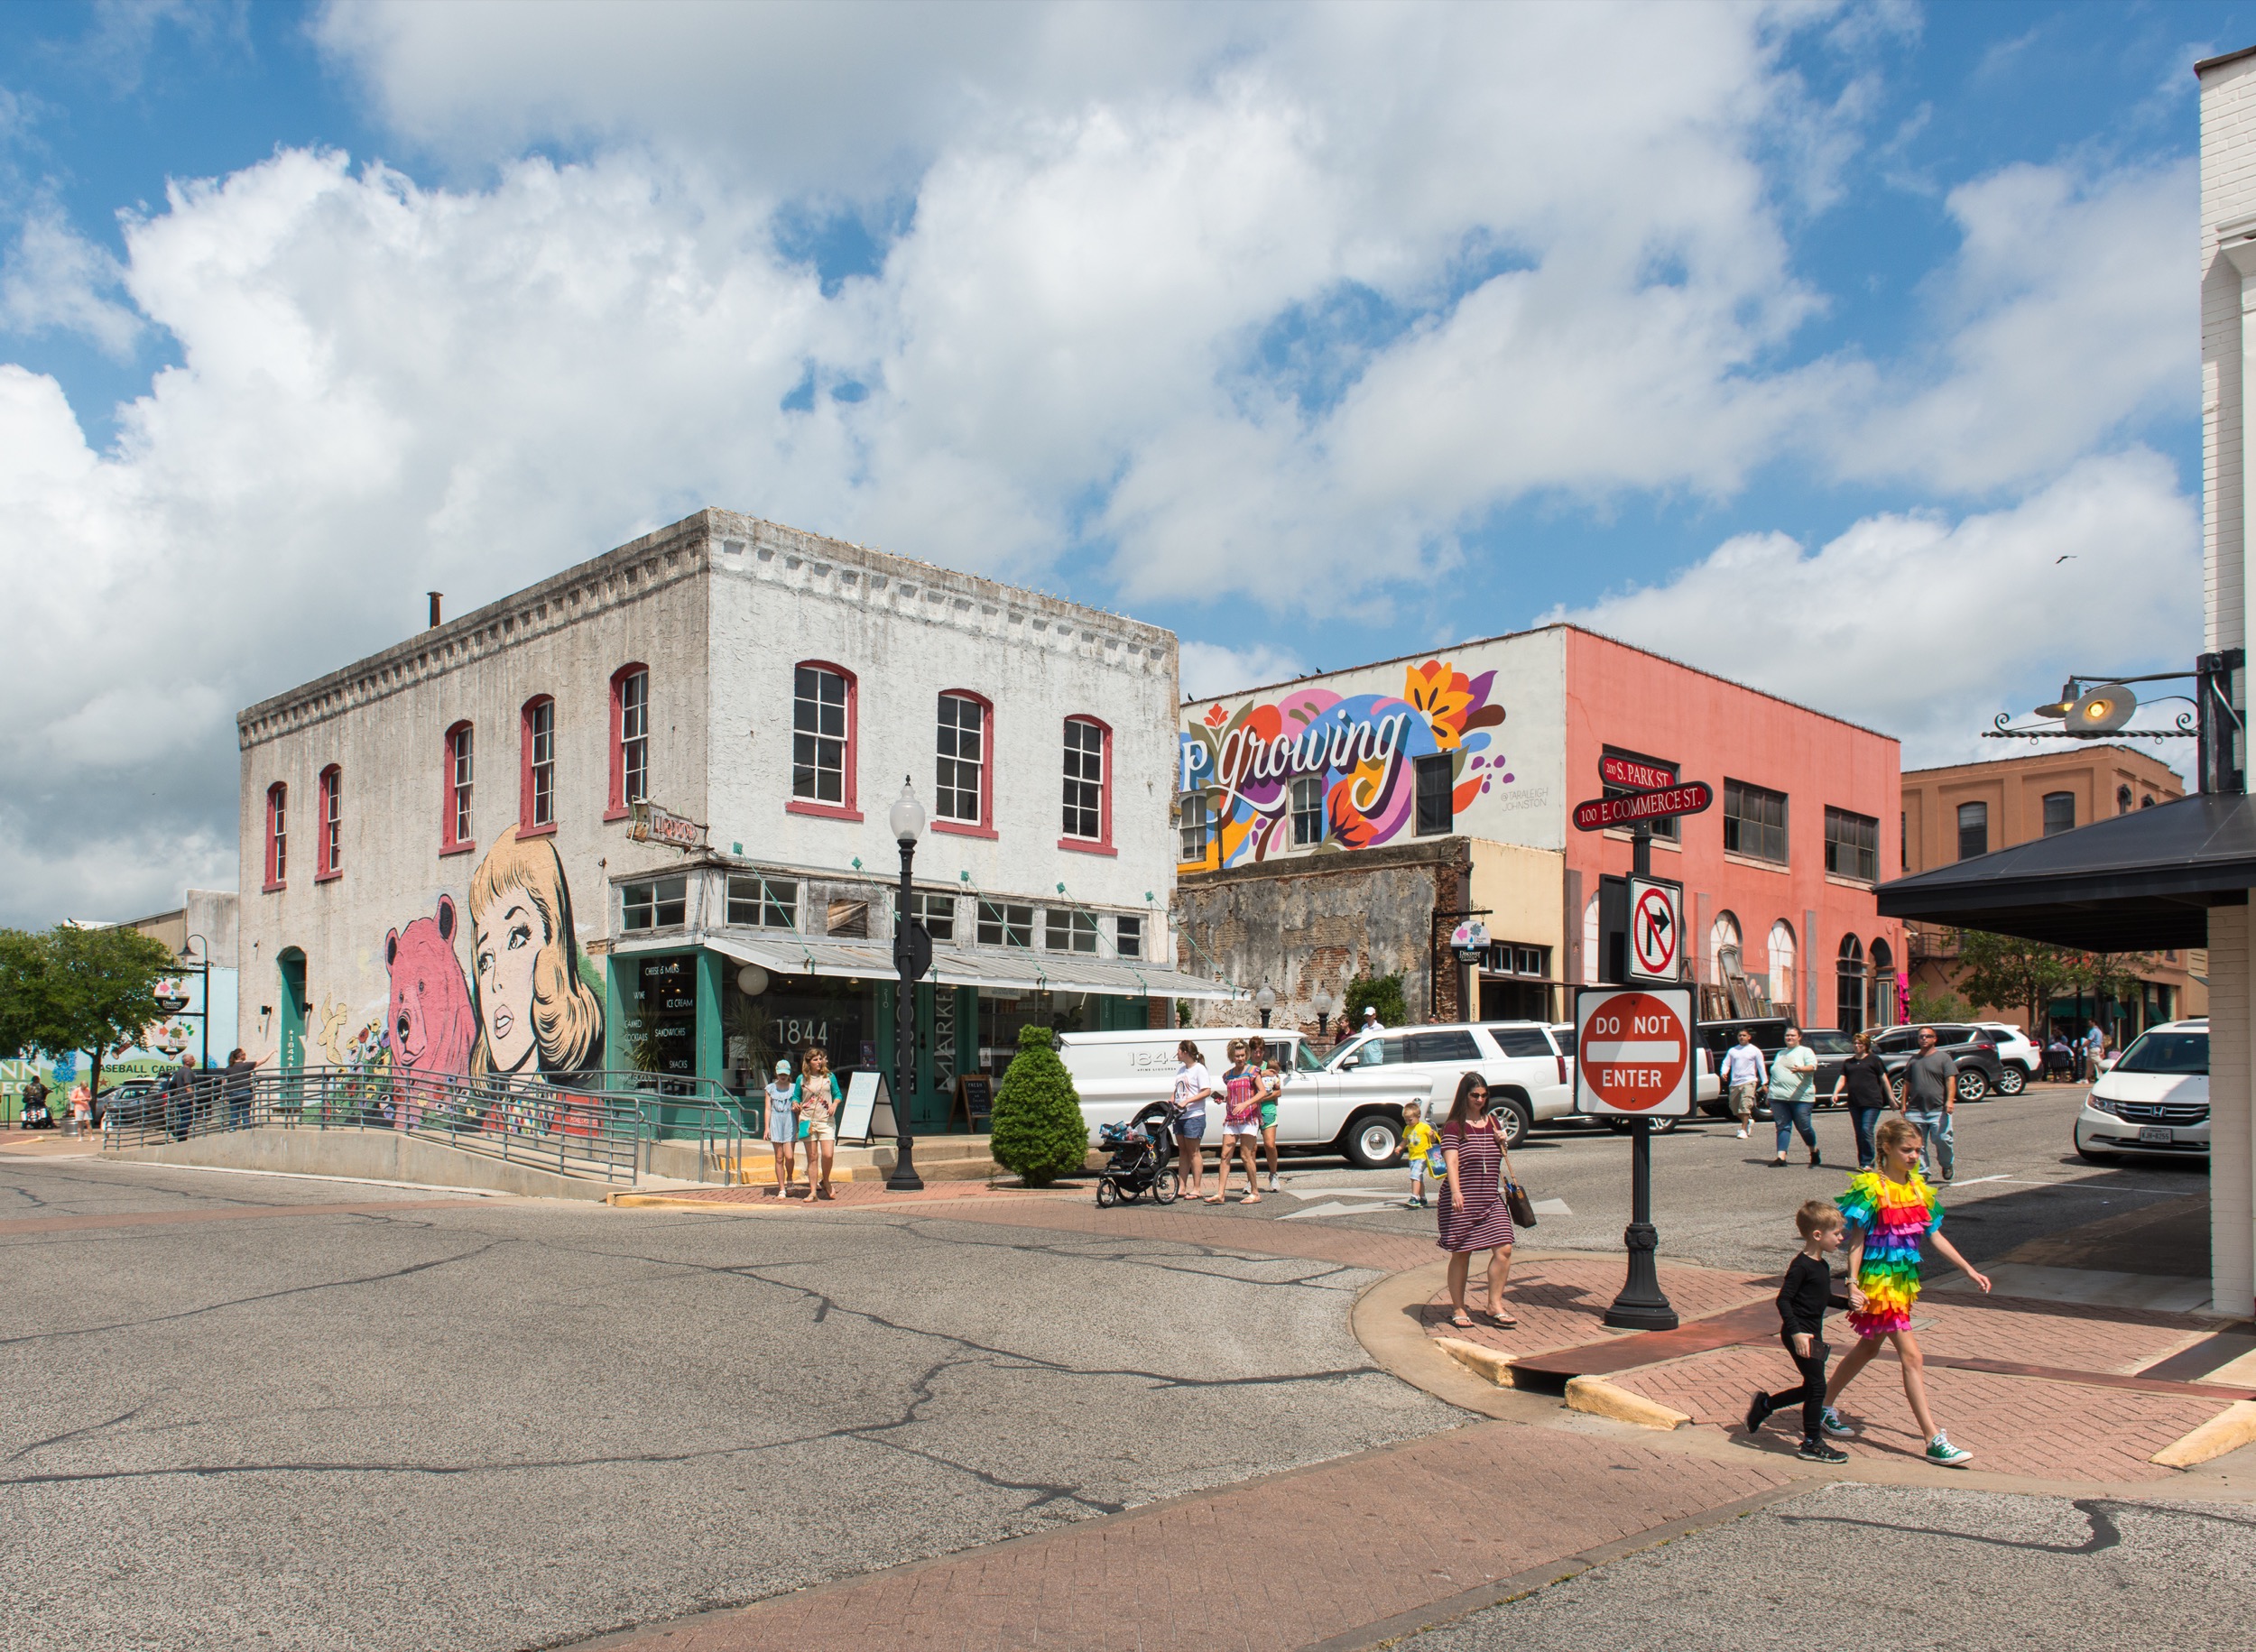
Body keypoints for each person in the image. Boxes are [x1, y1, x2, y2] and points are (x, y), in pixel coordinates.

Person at [1822, 1118, 1992, 1466]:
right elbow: (1857, 1241)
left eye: (1918, 1150)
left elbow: (1935, 1235)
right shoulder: (1872, 1189)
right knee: (1912, 1356)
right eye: (1907, 1149)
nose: (1915, 1156)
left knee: (1868, 1349)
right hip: (1878, 1286)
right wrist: (1852, 1283)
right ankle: (1933, 1439)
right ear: (1886, 1149)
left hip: (1903, 1283)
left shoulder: (1917, 1189)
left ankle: (1821, 1405)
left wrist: (1969, 1269)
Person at [1743, 1199, 1851, 1463]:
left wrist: (1850, 1305)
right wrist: (1797, 1333)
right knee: (1817, 1386)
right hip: (1799, 1334)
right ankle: (1812, 1442)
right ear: (1817, 1235)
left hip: (1813, 1333)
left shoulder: (1822, 1265)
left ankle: (1765, 1406)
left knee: (1812, 1387)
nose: (1841, 1237)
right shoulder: (1801, 1265)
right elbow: (1784, 1300)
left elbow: (1821, 1298)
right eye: (1836, 1233)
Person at [1438, 1072, 1517, 1332]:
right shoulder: (1454, 1126)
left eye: (1484, 1095)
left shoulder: (1492, 1121)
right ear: (1465, 1095)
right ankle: (1458, 1308)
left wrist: (1502, 1141)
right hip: (1463, 1197)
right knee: (1462, 1253)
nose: (1480, 1100)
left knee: (1504, 1248)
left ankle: (1495, 1304)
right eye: (1475, 1095)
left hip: (1490, 1197)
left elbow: (1499, 1156)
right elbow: (1452, 1161)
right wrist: (1456, 1192)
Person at [1897, 1026, 1958, 1183]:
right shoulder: (1914, 1060)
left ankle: (1946, 1164)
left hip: (1938, 1109)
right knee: (1918, 1144)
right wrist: (1903, 1104)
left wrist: (1949, 1101)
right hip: (1915, 1110)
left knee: (1942, 1139)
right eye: (1921, 1037)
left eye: (1927, 1036)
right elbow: (1907, 1083)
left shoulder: (1943, 1058)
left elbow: (1950, 1080)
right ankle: (1923, 1172)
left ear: (1934, 1039)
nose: (1924, 1039)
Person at [1829, 1031, 1891, 1171]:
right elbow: (1842, 1078)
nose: (1857, 1046)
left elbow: (1884, 1079)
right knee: (1859, 1132)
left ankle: (1869, 1162)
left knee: (1866, 1129)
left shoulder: (1874, 1060)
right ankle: (1863, 1161)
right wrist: (1835, 1092)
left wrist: (1891, 1098)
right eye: (1855, 1043)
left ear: (1866, 1045)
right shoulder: (1848, 1062)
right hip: (1855, 1102)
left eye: (1860, 1044)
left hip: (1872, 1101)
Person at [1211, 1039, 1263, 1204]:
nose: (1240, 1059)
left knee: (1246, 1155)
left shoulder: (1253, 1071)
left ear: (1246, 1055)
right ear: (1231, 1056)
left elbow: (1262, 1092)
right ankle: (1220, 1194)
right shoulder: (1228, 1075)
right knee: (1225, 1155)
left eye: (1242, 1055)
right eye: (1237, 1056)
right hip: (1232, 1118)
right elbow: (1234, 1097)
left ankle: (1255, 1192)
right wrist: (1224, 1100)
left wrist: (1246, 1103)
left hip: (1249, 1117)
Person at [1169, 1041, 1216, 1201]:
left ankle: (1197, 1188)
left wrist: (1188, 1101)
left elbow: (1206, 1091)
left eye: (1179, 1051)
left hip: (1194, 1115)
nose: (1177, 1054)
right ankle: (1182, 1187)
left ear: (1186, 1052)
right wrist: (1172, 1101)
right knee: (1182, 1151)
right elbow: (1178, 1090)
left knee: (1194, 1151)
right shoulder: (1181, 1070)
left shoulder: (1199, 1069)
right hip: (1180, 1115)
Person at [1767, 1026, 1820, 1167]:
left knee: (1804, 1126)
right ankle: (1781, 1157)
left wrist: (1801, 1069)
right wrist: (1769, 1093)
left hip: (1801, 1098)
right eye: (1787, 1036)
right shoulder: (1780, 1054)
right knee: (1782, 1126)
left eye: (1792, 1035)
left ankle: (1813, 1151)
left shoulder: (1805, 1051)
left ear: (1799, 1037)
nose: (1789, 1038)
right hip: (1778, 1097)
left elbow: (1813, 1066)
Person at [797, 1047, 841, 1200]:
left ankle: (826, 1180)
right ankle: (813, 1192)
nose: (819, 1062)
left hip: (826, 1121)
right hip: (808, 1121)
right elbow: (796, 1097)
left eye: (820, 1059)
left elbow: (838, 1094)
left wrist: (834, 1105)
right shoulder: (801, 1079)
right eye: (815, 1059)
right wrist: (795, 1103)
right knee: (812, 1156)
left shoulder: (829, 1077)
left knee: (828, 1154)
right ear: (808, 1062)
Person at [1249, 1035, 1284, 1193]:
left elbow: (1278, 1092)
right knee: (1251, 1148)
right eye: (1255, 1051)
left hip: (1268, 1109)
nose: (1258, 1054)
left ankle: (1273, 1175)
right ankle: (1251, 1180)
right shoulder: (1247, 1067)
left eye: (1260, 1051)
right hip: (1250, 1112)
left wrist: (1262, 1098)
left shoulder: (1269, 1067)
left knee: (1270, 1144)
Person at [1720, 1029, 1766, 1140]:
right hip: (1735, 1082)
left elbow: (1761, 1066)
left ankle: (1744, 1130)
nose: (1742, 1037)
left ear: (1749, 1037)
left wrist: (1764, 1082)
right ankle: (1748, 1121)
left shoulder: (1755, 1051)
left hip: (1749, 1081)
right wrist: (1724, 1072)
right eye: (1740, 1035)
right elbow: (1726, 1063)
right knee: (1734, 1108)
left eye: (1744, 1035)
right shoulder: (1733, 1051)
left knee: (1745, 1106)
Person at [765, 1059, 800, 1198]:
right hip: (776, 1120)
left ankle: (790, 1177)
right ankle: (781, 1188)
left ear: (789, 1073)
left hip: (789, 1120)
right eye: (780, 1073)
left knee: (789, 1156)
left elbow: (798, 1106)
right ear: (776, 1073)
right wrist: (766, 1128)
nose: (783, 1076)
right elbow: (768, 1108)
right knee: (779, 1157)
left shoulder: (794, 1088)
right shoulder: (770, 1089)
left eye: (785, 1073)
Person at [1401, 1102, 1440, 1209]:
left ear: (1418, 1116)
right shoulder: (1407, 1129)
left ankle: (1414, 1197)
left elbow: (1432, 1140)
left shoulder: (1424, 1127)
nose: (1408, 1122)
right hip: (1413, 1157)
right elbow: (1405, 1140)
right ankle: (1423, 1198)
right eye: (1406, 1120)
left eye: (1410, 1120)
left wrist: (1432, 1136)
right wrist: (1400, 1147)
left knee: (1414, 1176)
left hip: (1423, 1156)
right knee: (1419, 1178)